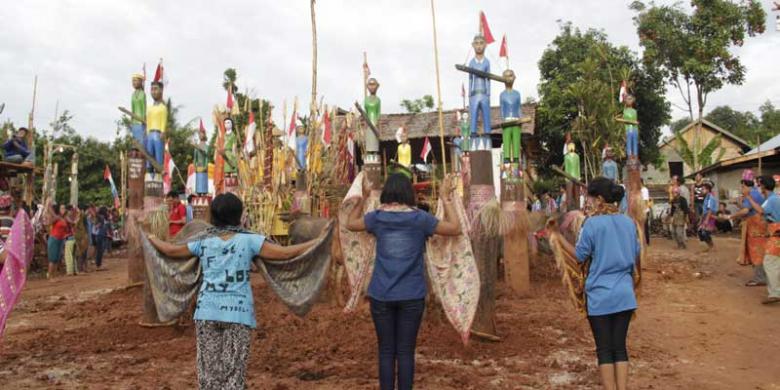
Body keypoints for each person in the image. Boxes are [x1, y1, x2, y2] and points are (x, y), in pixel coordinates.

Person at [147, 192, 319, 389]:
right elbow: (285, 253)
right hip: (238, 315)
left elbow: (170, 250)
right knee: (233, 377)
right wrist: (316, 242)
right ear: (239, 215)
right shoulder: (250, 240)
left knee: (209, 376)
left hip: (206, 313)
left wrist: (150, 237)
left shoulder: (202, 241)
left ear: (213, 216)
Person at [345, 173, 461, 390]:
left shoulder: (377, 217)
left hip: (380, 295)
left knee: (386, 351)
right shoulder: (420, 219)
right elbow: (455, 228)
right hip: (412, 296)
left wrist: (362, 199)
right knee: (406, 351)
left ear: (387, 192)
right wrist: (445, 198)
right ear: (409, 193)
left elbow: (350, 224)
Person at [559, 177, 640, 390]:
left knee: (604, 350)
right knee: (620, 348)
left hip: (599, 296)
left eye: (591, 199)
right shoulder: (629, 223)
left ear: (600, 199)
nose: (589, 203)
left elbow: (579, 256)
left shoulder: (591, 224)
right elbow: (636, 255)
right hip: (625, 294)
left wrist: (558, 240)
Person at [743, 176, 780, 305]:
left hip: (776, 233)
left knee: (769, 262)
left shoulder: (772, 199)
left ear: (763, 186)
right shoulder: (774, 198)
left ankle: (775, 293)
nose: (759, 188)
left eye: (759, 185)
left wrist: (748, 197)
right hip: (775, 232)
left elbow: (760, 210)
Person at [728, 178, 767, 285]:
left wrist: (731, 216)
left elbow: (746, 211)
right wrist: (738, 204)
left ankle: (760, 278)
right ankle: (761, 276)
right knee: (757, 250)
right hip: (756, 224)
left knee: (756, 251)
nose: (741, 189)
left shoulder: (752, 194)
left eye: (742, 186)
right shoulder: (753, 193)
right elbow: (746, 209)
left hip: (756, 225)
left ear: (747, 186)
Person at [46, 204, 69, 280]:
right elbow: (49, 220)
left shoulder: (63, 218)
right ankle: (50, 275)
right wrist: (48, 205)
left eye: (64, 208)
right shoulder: (57, 218)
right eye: (62, 208)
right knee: (52, 259)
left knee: (56, 259)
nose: (64, 210)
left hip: (61, 239)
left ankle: (54, 276)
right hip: (54, 239)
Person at [697, 183, 717, 252]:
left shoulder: (710, 198)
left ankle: (712, 246)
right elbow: (704, 211)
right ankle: (710, 246)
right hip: (706, 216)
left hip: (710, 216)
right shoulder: (706, 198)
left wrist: (706, 220)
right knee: (700, 231)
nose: (702, 190)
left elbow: (710, 210)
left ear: (708, 190)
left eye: (703, 189)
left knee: (705, 232)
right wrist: (701, 220)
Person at [641, 179, 651, 245]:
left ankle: (646, 241)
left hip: (644, 210)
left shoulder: (644, 190)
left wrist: (643, 210)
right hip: (640, 210)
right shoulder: (639, 190)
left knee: (645, 226)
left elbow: (645, 201)